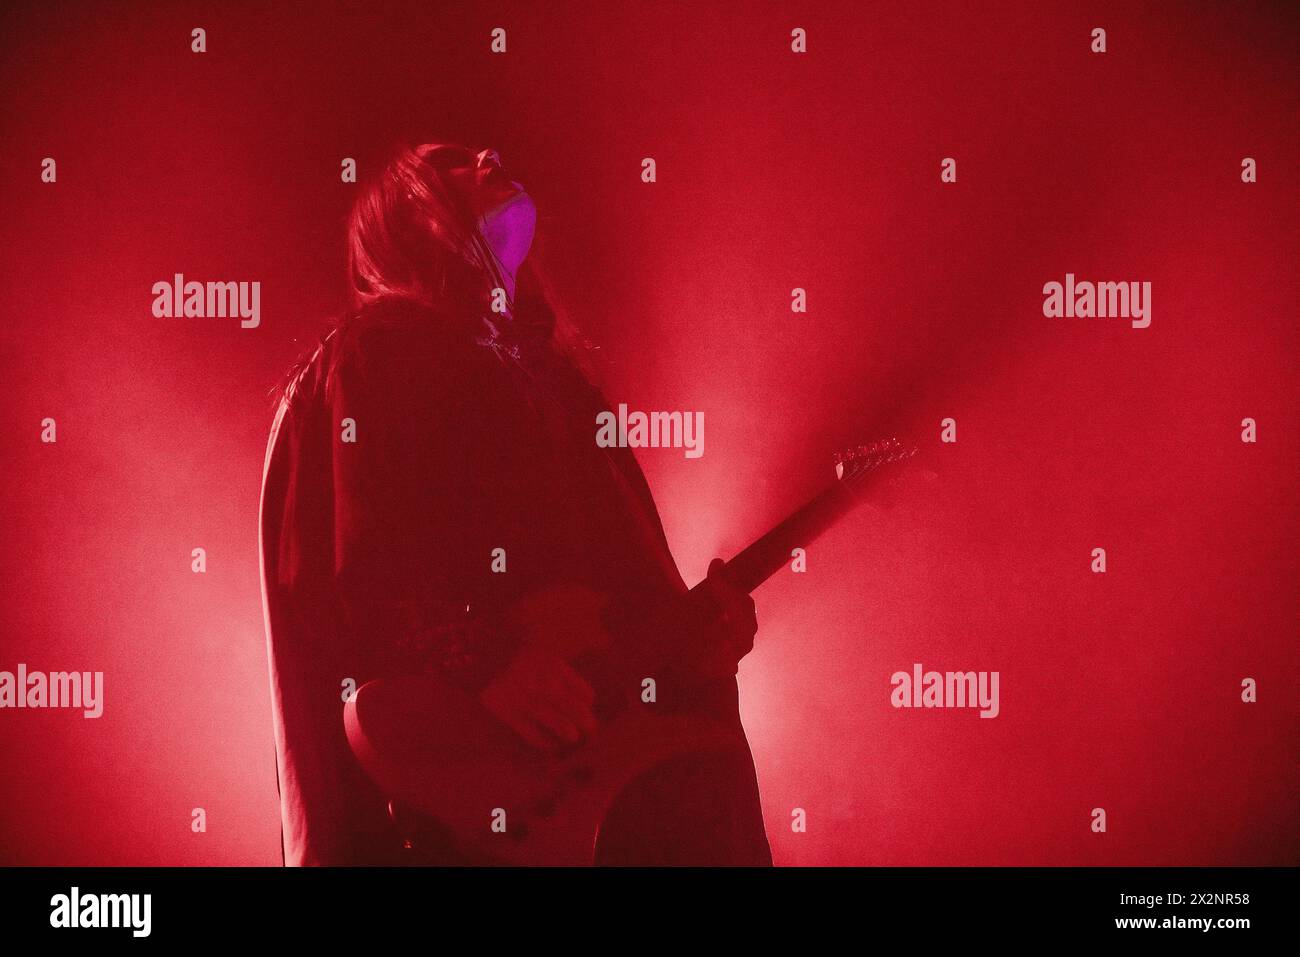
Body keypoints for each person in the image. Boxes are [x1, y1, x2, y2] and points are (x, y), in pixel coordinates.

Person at [259, 142, 771, 865]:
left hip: (626, 799)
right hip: (470, 815)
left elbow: (619, 602)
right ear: (408, 214)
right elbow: (353, 564)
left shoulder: (559, 381)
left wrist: (702, 642)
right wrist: (484, 660)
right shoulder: (380, 348)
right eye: (451, 164)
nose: (488, 152)